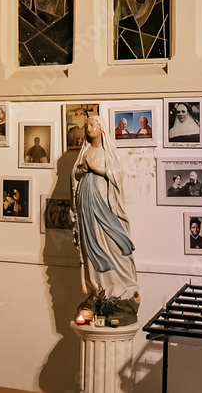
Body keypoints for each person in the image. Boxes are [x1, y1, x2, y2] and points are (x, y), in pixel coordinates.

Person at [70, 117, 140, 324]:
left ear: (101, 128)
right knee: (91, 245)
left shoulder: (109, 151)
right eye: (86, 126)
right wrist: (82, 170)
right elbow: (74, 175)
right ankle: (99, 292)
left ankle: (123, 292)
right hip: (86, 206)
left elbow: (117, 175)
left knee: (115, 244)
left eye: (92, 125)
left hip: (106, 205)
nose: (88, 128)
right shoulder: (84, 151)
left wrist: (96, 169)